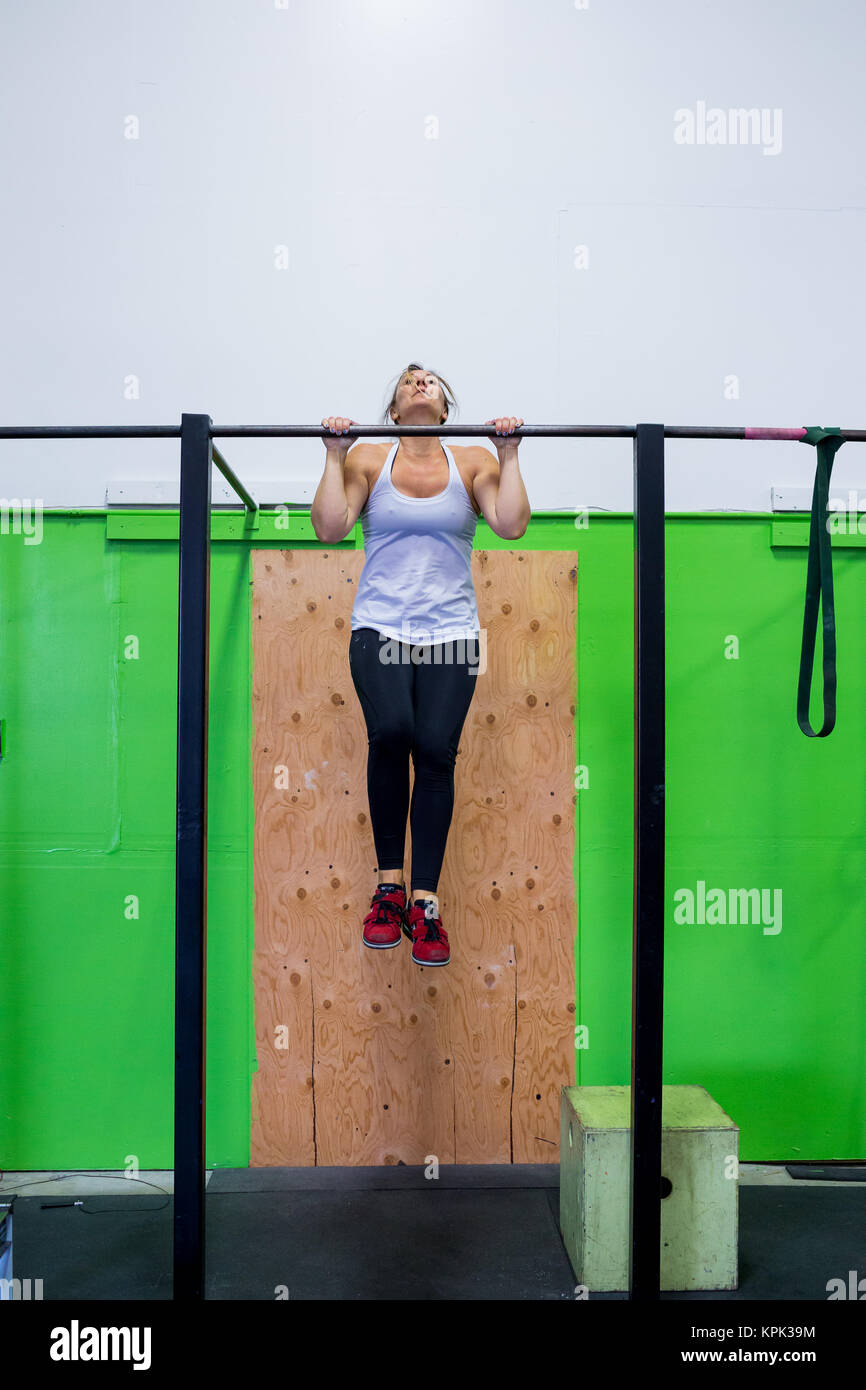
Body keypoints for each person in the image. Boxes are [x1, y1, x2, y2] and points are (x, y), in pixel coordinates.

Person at [310, 363, 530, 965]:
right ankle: (388, 888)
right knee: (393, 733)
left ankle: (424, 906)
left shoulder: (473, 461)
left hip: (451, 634)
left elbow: (510, 524)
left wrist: (508, 454)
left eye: (429, 378)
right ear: (394, 407)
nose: (419, 382)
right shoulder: (369, 460)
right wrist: (334, 455)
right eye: (408, 379)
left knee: (435, 750)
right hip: (380, 626)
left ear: (445, 403)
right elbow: (330, 528)